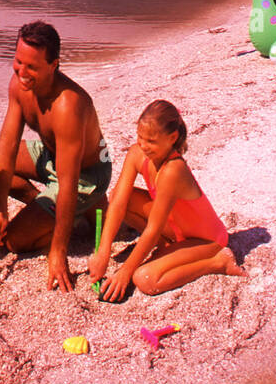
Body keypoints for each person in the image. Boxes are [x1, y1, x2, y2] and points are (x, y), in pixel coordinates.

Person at [0, 22, 110, 291]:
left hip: (85, 175)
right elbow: (8, 146)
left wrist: (57, 251)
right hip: (50, 154)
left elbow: (68, 183)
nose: (22, 73)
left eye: (31, 67)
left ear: (53, 64)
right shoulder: (19, 84)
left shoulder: (69, 106)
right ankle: (47, 206)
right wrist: (0, 208)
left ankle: (88, 206)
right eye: (18, 62)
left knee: (16, 241)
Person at [88, 100, 245, 299]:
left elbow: (153, 228)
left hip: (205, 240)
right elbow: (118, 202)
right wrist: (103, 251)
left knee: (144, 278)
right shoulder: (137, 153)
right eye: (140, 137)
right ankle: (167, 247)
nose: (143, 146)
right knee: (120, 196)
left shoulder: (173, 170)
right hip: (175, 229)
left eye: (151, 141)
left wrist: (125, 272)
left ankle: (218, 262)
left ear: (172, 138)